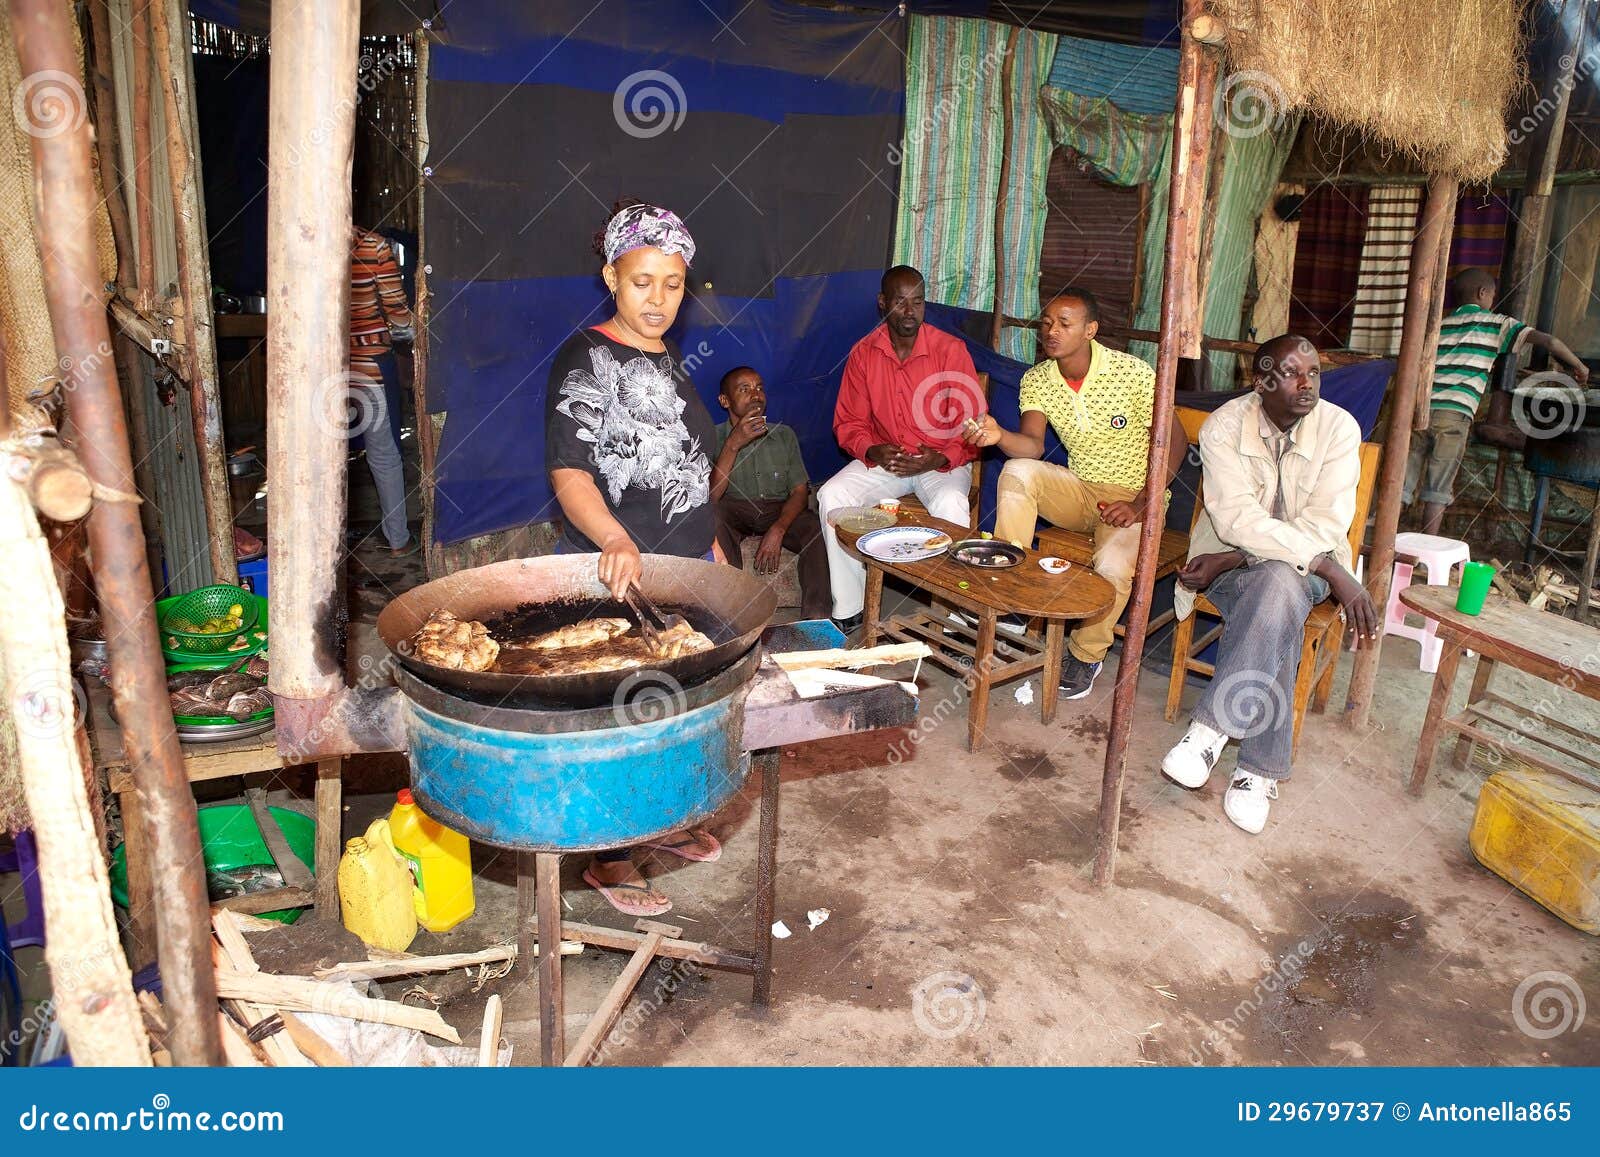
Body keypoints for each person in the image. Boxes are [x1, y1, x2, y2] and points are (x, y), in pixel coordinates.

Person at [545, 199, 725, 916]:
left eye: (673, 283)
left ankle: (666, 823)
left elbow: (682, 457)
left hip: (682, 565)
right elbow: (569, 470)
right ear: (611, 277)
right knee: (623, 712)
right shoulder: (586, 356)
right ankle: (611, 859)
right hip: (619, 572)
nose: (659, 299)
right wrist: (615, 537)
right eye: (642, 281)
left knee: (674, 704)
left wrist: (708, 543)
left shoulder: (667, 356)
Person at [1160, 335, 1378, 835]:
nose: (1307, 385)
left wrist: (1242, 554)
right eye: (1292, 374)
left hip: (1258, 566)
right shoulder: (1225, 427)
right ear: (1261, 382)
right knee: (1278, 599)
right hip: (1233, 571)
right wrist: (1328, 569)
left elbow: (1326, 528)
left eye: (1315, 372)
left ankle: (1210, 731)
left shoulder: (1339, 428)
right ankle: (1256, 772)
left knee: (1279, 584)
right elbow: (1235, 519)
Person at [963, 289, 1184, 701]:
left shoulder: (1132, 373)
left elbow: (1177, 441)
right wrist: (998, 436)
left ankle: (1085, 654)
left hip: (1136, 499)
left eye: (1065, 323)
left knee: (1114, 564)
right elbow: (1030, 444)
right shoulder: (1038, 379)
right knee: (1018, 470)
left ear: (1090, 330)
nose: (1051, 331)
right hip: (1081, 490)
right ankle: (1010, 599)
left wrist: (1142, 503)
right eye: (1046, 322)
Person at [818, 265, 981, 633]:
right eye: (900, 302)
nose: (910, 311)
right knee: (833, 495)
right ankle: (850, 607)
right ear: (882, 304)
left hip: (940, 462)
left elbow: (973, 427)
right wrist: (872, 450)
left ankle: (956, 613)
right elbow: (848, 423)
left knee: (950, 505)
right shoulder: (863, 354)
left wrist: (941, 456)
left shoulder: (949, 351)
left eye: (918, 302)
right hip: (889, 462)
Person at [1403, 266, 1590, 535]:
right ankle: (1425, 551)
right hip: (1454, 414)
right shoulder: (1498, 324)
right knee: (1438, 488)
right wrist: (1579, 367)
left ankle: (1383, 543)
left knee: (1402, 482)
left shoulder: (1440, 326)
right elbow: (1549, 341)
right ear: (1483, 293)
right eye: (1492, 295)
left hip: (1419, 411)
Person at [711, 366, 831, 619]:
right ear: (725, 400)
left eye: (759, 388)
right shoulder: (713, 436)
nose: (756, 395)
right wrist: (733, 445)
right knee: (713, 515)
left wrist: (778, 529)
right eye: (744, 389)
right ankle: (731, 616)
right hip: (735, 509)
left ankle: (817, 620)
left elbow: (799, 491)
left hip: (778, 508)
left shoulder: (784, 434)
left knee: (813, 526)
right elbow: (712, 495)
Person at [350, 226, 417, 556]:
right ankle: (398, 542)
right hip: (369, 365)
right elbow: (396, 311)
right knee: (384, 454)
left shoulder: (301, 242)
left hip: (319, 368)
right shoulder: (373, 247)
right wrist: (413, 330)